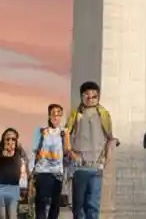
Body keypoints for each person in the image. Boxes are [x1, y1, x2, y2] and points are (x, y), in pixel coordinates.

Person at [66, 81, 117, 219]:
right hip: (79, 167)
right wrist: (71, 153)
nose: (91, 99)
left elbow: (110, 138)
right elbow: (65, 135)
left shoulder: (104, 114)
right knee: (78, 206)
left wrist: (106, 158)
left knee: (93, 205)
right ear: (82, 97)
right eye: (87, 96)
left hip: (96, 167)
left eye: (94, 96)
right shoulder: (75, 114)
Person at [31, 104, 71, 219]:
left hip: (57, 173)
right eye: (54, 113)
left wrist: (67, 139)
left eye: (59, 114)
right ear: (49, 116)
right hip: (42, 171)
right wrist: (30, 171)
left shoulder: (64, 133)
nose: (56, 116)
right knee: (41, 203)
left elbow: (67, 152)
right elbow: (34, 151)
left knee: (55, 205)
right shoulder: (41, 131)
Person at [0, 128, 29, 219]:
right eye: (8, 139)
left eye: (13, 139)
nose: (10, 141)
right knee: (2, 216)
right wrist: (4, 153)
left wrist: (25, 187)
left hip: (14, 189)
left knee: (12, 216)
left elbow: (25, 168)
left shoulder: (19, 152)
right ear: (3, 140)